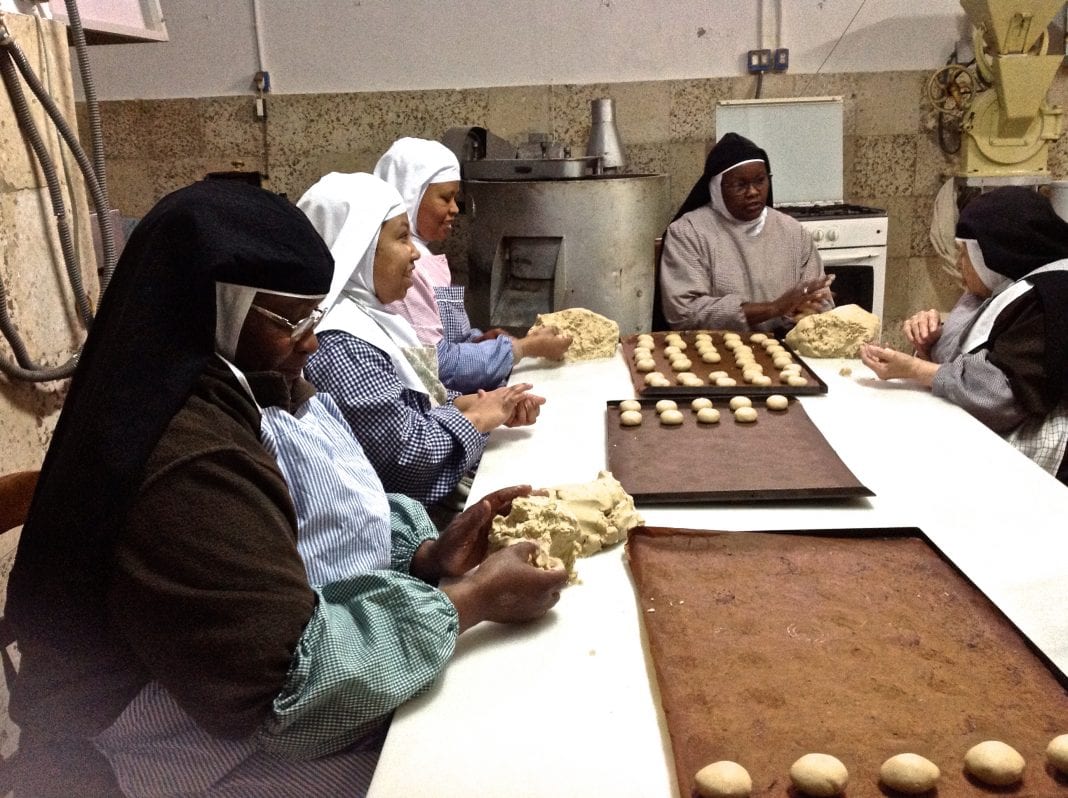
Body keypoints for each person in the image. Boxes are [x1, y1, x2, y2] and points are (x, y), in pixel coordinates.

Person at [4, 180, 567, 797]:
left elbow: (320, 523)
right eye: (291, 320)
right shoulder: (189, 454)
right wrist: (472, 600)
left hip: (228, 692)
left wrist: (426, 556)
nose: (312, 341)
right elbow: (290, 695)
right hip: (144, 752)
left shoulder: (250, 383)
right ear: (217, 310)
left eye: (314, 317)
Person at [299, 171, 544, 509]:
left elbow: (422, 399)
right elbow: (407, 459)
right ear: (361, 247)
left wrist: (485, 402)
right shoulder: (341, 344)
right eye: (402, 238)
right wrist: (478, 418)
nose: (414, 253)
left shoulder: (376, 318)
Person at [860, 186, 1068, 484]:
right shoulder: (1002, 284)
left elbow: (1000, 397)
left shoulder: (1051, 299)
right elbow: (968, 358)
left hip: (1039, 456)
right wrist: (929, 345)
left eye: (964, 253)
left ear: (991, 255)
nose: (958, 263)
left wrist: (915, 369)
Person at [373, 137, 572, 392]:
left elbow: (444, 341)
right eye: (445, 198)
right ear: (412, 194)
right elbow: (436, 365)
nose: (455, 209)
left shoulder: (423, 256)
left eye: (456, 198)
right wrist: (524, 348)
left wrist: (477, 341)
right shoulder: (401, 270)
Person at [658, 132, 834, 332]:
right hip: (717, 345)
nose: (753, 192)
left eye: (760, 181)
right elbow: (684, 313)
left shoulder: (793, 231)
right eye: (740, 185)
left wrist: (811, 307)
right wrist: (773, 308)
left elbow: (820, 301)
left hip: (785, 344)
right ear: (716, 188)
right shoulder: (688, 232)